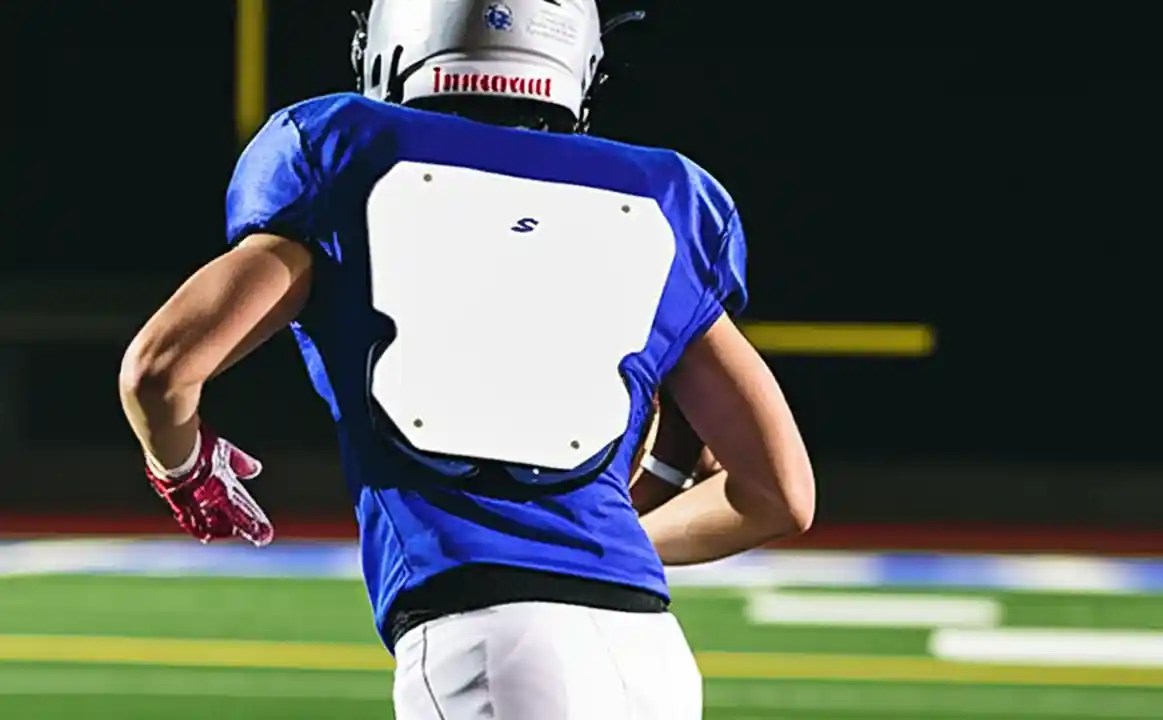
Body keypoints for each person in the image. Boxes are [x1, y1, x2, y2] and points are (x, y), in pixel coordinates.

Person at [117, 1, 815, 717]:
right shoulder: (667, 201)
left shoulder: (344, 157)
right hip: (649, 655)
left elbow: (160, 371)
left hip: (485, 636)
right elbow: (781, 495)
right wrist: (600, 541)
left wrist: (184, 468)